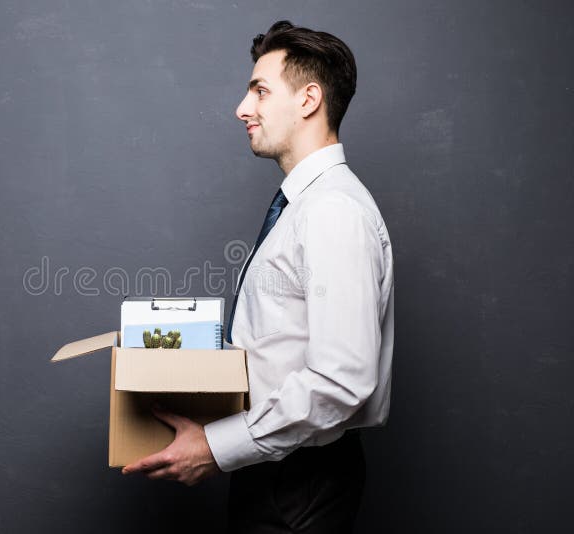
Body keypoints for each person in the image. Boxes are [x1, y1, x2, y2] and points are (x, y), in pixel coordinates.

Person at [122, 20, 394, 533]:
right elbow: (280, 344)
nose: (242, 108)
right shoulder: (304, 206)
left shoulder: (332, 212)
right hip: (275, 468)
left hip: (300, 483)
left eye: (260, 91)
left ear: (309, 99)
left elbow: (341, 382)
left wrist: (217, 447)